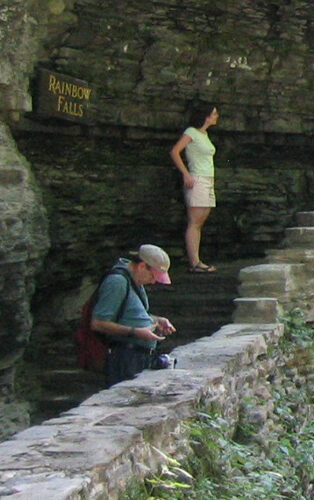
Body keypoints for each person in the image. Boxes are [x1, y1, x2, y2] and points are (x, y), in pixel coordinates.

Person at [89, 244, 177, 387]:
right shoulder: (117, 281)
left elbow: (130, 313)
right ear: (142, 266)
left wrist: (156, 320)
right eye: (153, 276)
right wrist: (136, 332)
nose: (154, 281)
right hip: (124, 357)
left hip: (137, 356)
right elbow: (98, 323)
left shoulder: (134, 280)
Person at [169, 103, 220, 273]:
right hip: (197, 179)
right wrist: (186, 174)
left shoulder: (204, 134)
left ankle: (196, 260)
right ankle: (195, 262)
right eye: (213, 114)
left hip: (208, 180)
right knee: (194, 222)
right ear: (205, 116)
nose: (216, 116)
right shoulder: (191, 132)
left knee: (200, 222)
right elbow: (175, 151)